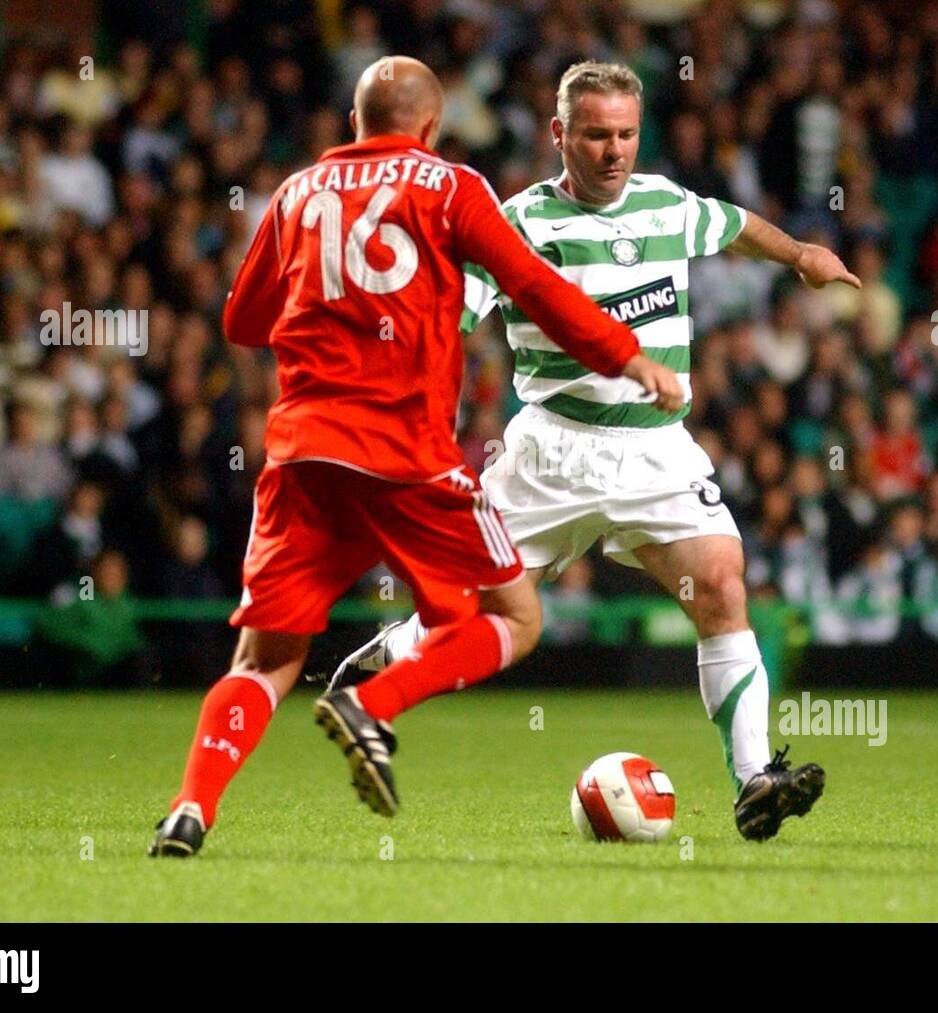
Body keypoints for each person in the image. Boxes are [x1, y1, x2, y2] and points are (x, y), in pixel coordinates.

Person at [148, 56, 682, 857]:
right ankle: (376, 702)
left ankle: (190, 808)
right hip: (406, 453)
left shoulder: (295, 193)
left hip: (301, 455)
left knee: (264, 658)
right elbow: (533, 285)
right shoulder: (451, 187)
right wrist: (626, 355)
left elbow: (243, 322)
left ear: (355, 120)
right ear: (430, 127)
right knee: (514, 615)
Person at [332, 61, 860, 842]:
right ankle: (367, 676)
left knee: (720, 582)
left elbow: (732, 223)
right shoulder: (513, 223)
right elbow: (451, 315)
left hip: (655, 452)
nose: (614, 150)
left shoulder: (664, 202)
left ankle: (754, 779)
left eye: (624, 134)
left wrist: (801, 256)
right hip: (553, 452)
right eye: (595, 135)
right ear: (559, 135)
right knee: (477, 616)